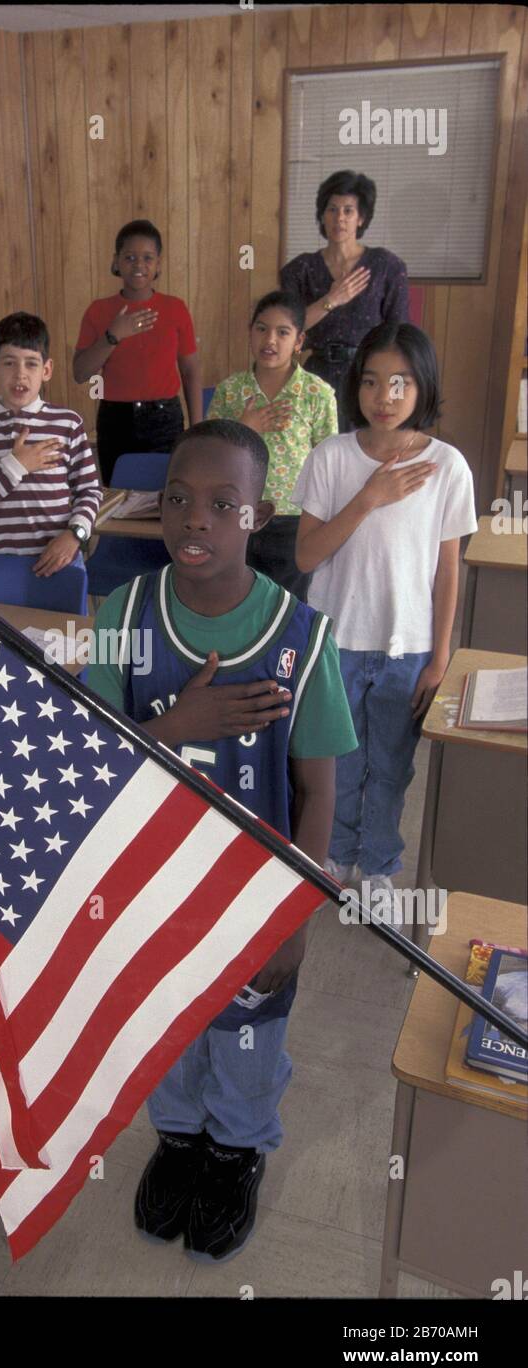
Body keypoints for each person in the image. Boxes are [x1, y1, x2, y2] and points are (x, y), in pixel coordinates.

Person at [85, 419, 357, 1262]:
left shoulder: (302, 640)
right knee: (165, 1020)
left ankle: (235, 1149)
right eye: (176, 499)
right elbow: (95, 768)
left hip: (252, 897)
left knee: (246, 1031)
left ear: (258, 515)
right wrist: (176, 725)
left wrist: (296, 917)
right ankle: (177, 1137)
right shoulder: (123, 615)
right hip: (153, 886)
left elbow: (316, 791)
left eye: (220, 503)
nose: (193, 519)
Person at [292, 322, 477, 927]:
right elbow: (305, 556)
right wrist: (369, 496)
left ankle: (378, 868)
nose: (385, 395)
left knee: (393, 767)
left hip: (408, 647)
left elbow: (447, 569)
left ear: (422, 386)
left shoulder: (447, 466)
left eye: (400, 381)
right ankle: (339, 856)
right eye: (372, 381)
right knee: (339, 762)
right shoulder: (331, 457)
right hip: (336, 643)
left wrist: (440, 656)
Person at [207, 289, 338, 599]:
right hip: (237, 515)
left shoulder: (316, 393)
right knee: (237, 601)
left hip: (294, 520)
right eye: (261, 329)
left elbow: (330, 465)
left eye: (283, 332)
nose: (270, 341)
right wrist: (243, 429)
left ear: (299, 341)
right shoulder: (231, 390)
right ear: (250, 333)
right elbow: (207, 457)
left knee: (287, 606)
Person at [0, 312, 102, 576]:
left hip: (60, 561)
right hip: (0, 568)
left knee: (62, 620)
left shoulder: (67, 424)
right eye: (9, 363)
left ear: (47, 370)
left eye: (31, 364)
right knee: (5, 620)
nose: (20, 375)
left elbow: (89, 491)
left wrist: (75, 535)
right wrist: (15, 465)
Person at [73, 220, 202, 485]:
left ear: (158, 264)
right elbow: (80, 372)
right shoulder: (98, 311)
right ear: (116, 262)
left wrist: (198, 429)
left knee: (166, 494)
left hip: (165, 417)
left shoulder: (175, 308)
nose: (139, 265)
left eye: (147, 258)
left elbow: (190, 370)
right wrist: (113, 336)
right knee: (117, 496)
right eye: (129, 257)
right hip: (115, 418)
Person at [280, 170, 409, 429]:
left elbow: (400, 332)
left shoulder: (386, 266)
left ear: (361, 218)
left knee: (364, 451)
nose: (339, 218)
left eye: (348, 210)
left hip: (369, 374)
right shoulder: (300, 269)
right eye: (332, 209)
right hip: (317, 372)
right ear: (322, 215)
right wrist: (331, 299)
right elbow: (286, 329)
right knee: (316, 450)